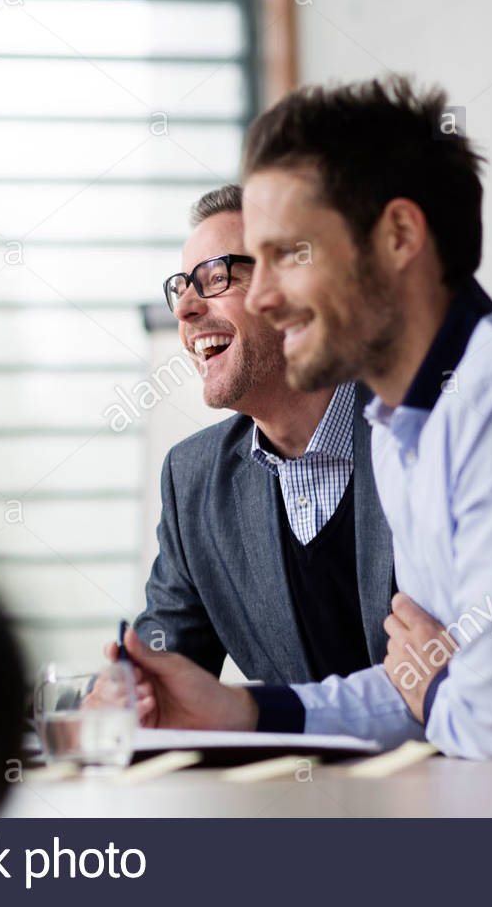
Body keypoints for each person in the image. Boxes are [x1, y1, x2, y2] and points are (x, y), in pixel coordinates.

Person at [112, 78, 492, 758]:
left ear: (399, 236)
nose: (262, 295)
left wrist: (440, 687)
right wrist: (245, 710)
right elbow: (415, 688)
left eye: (288, 254)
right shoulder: (398, 427)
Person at [126, 184, 399, 703]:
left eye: (215, 278)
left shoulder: (415, 433)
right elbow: (164, 674)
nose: (185, 308)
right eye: (182, 286)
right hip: (293, 786)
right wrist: (125, 694)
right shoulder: (193, 479)